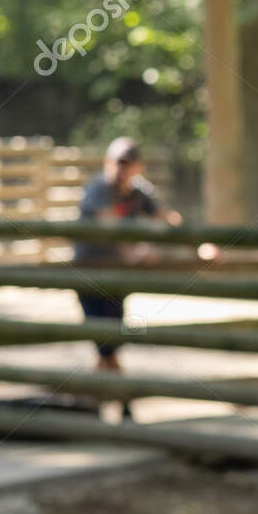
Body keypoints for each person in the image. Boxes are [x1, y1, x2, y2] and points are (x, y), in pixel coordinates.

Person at [74, 137, 181, 371]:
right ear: (107, 163)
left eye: (127, 162)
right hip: (90, 272)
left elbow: (167, 217)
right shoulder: (99, 189)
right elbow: (109, 225)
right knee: (104, 337)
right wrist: (135, 252)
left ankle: (112, 397)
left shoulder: (139, 191)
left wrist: (199, 244)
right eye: (118, 162)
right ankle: (118, 397)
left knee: (112, 337)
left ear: (138, 167)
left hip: (117, 275)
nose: (122, 168)